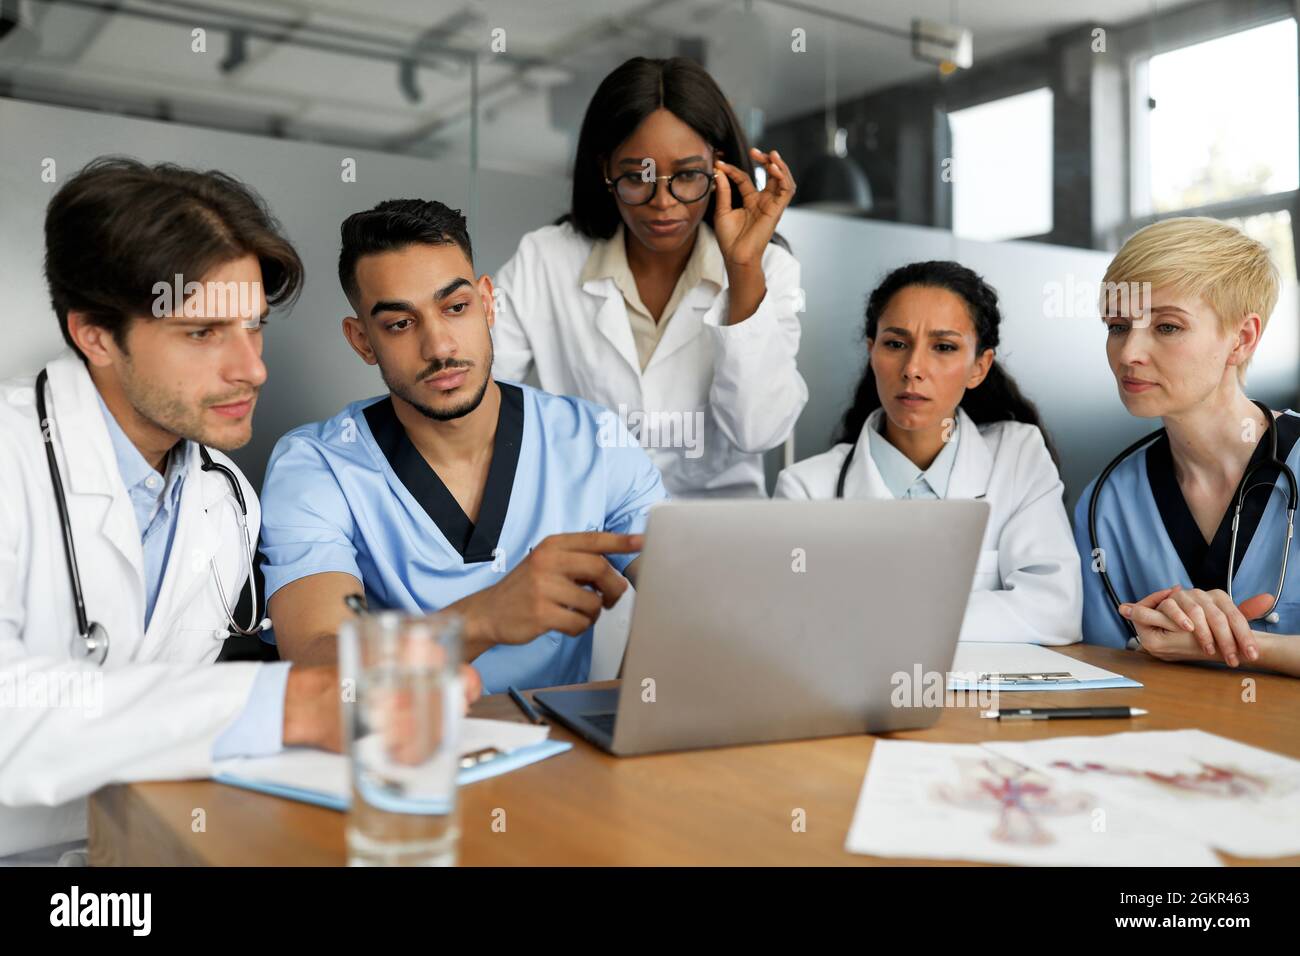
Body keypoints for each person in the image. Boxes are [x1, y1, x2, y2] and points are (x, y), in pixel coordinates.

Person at [0, 158, 341, 863]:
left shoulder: (226, 497)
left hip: (139, 849)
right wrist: (277, 705)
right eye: (202, 333)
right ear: (95, 335)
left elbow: (164, 725)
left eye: (253, 326)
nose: (252, 368)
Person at [260, 199, 667, 694]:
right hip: (402, 754)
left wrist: (626, 710)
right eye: (399, 324)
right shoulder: (317, 466)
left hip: (560, 752)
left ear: (488, 302)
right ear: (362, 340)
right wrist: (481, 619)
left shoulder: (594, 441)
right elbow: (316, 665)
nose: (440, 347)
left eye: (456, 308)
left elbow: (688, 599)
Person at [491, 56, 806, 498]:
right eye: (638, 176)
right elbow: (478, 394)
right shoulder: (544, 259)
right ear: (605, 168)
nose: (663, 202)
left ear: (718, 166)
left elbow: (758, 431)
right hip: (590, 528)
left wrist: (743, 268)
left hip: (715, 535)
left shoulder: (770, 269)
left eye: (687, 175)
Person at [775, 260, 1081, 645]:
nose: (913, 368)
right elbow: (797, 625)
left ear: (979, 367)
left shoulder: (1018, 455)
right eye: (896, 344)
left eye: (944, 347)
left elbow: (1055, 612)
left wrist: (874, 616)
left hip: (986, 702)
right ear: (872, 353)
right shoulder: (806, 488)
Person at [1075, 217, 1300, 677]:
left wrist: (1240, 644)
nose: (1129, 353)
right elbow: (1101, 664)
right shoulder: (1106, 502)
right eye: (1118, 326)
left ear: (1242, 338)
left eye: (1168, 327)